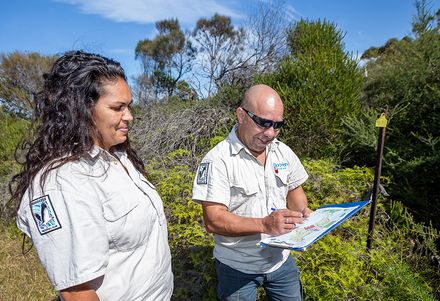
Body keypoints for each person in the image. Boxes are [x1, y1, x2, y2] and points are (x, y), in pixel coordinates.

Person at [11, 50, 173, 301]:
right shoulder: (63, 182)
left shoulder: (118, 155)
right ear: (82, 109)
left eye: (129, 106)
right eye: (118, 108)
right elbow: (78, 292)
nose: (129, 116)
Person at [192, 84, 312, 301]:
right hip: (238, 267)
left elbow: (295, 191)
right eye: (263, 123)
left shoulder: (282, 151)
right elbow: (214, 220)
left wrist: (303, 213)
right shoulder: (218, 160)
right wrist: (265, 225)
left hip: (281, 261)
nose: (270, 133)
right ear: (241, 115)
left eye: (277, 125)